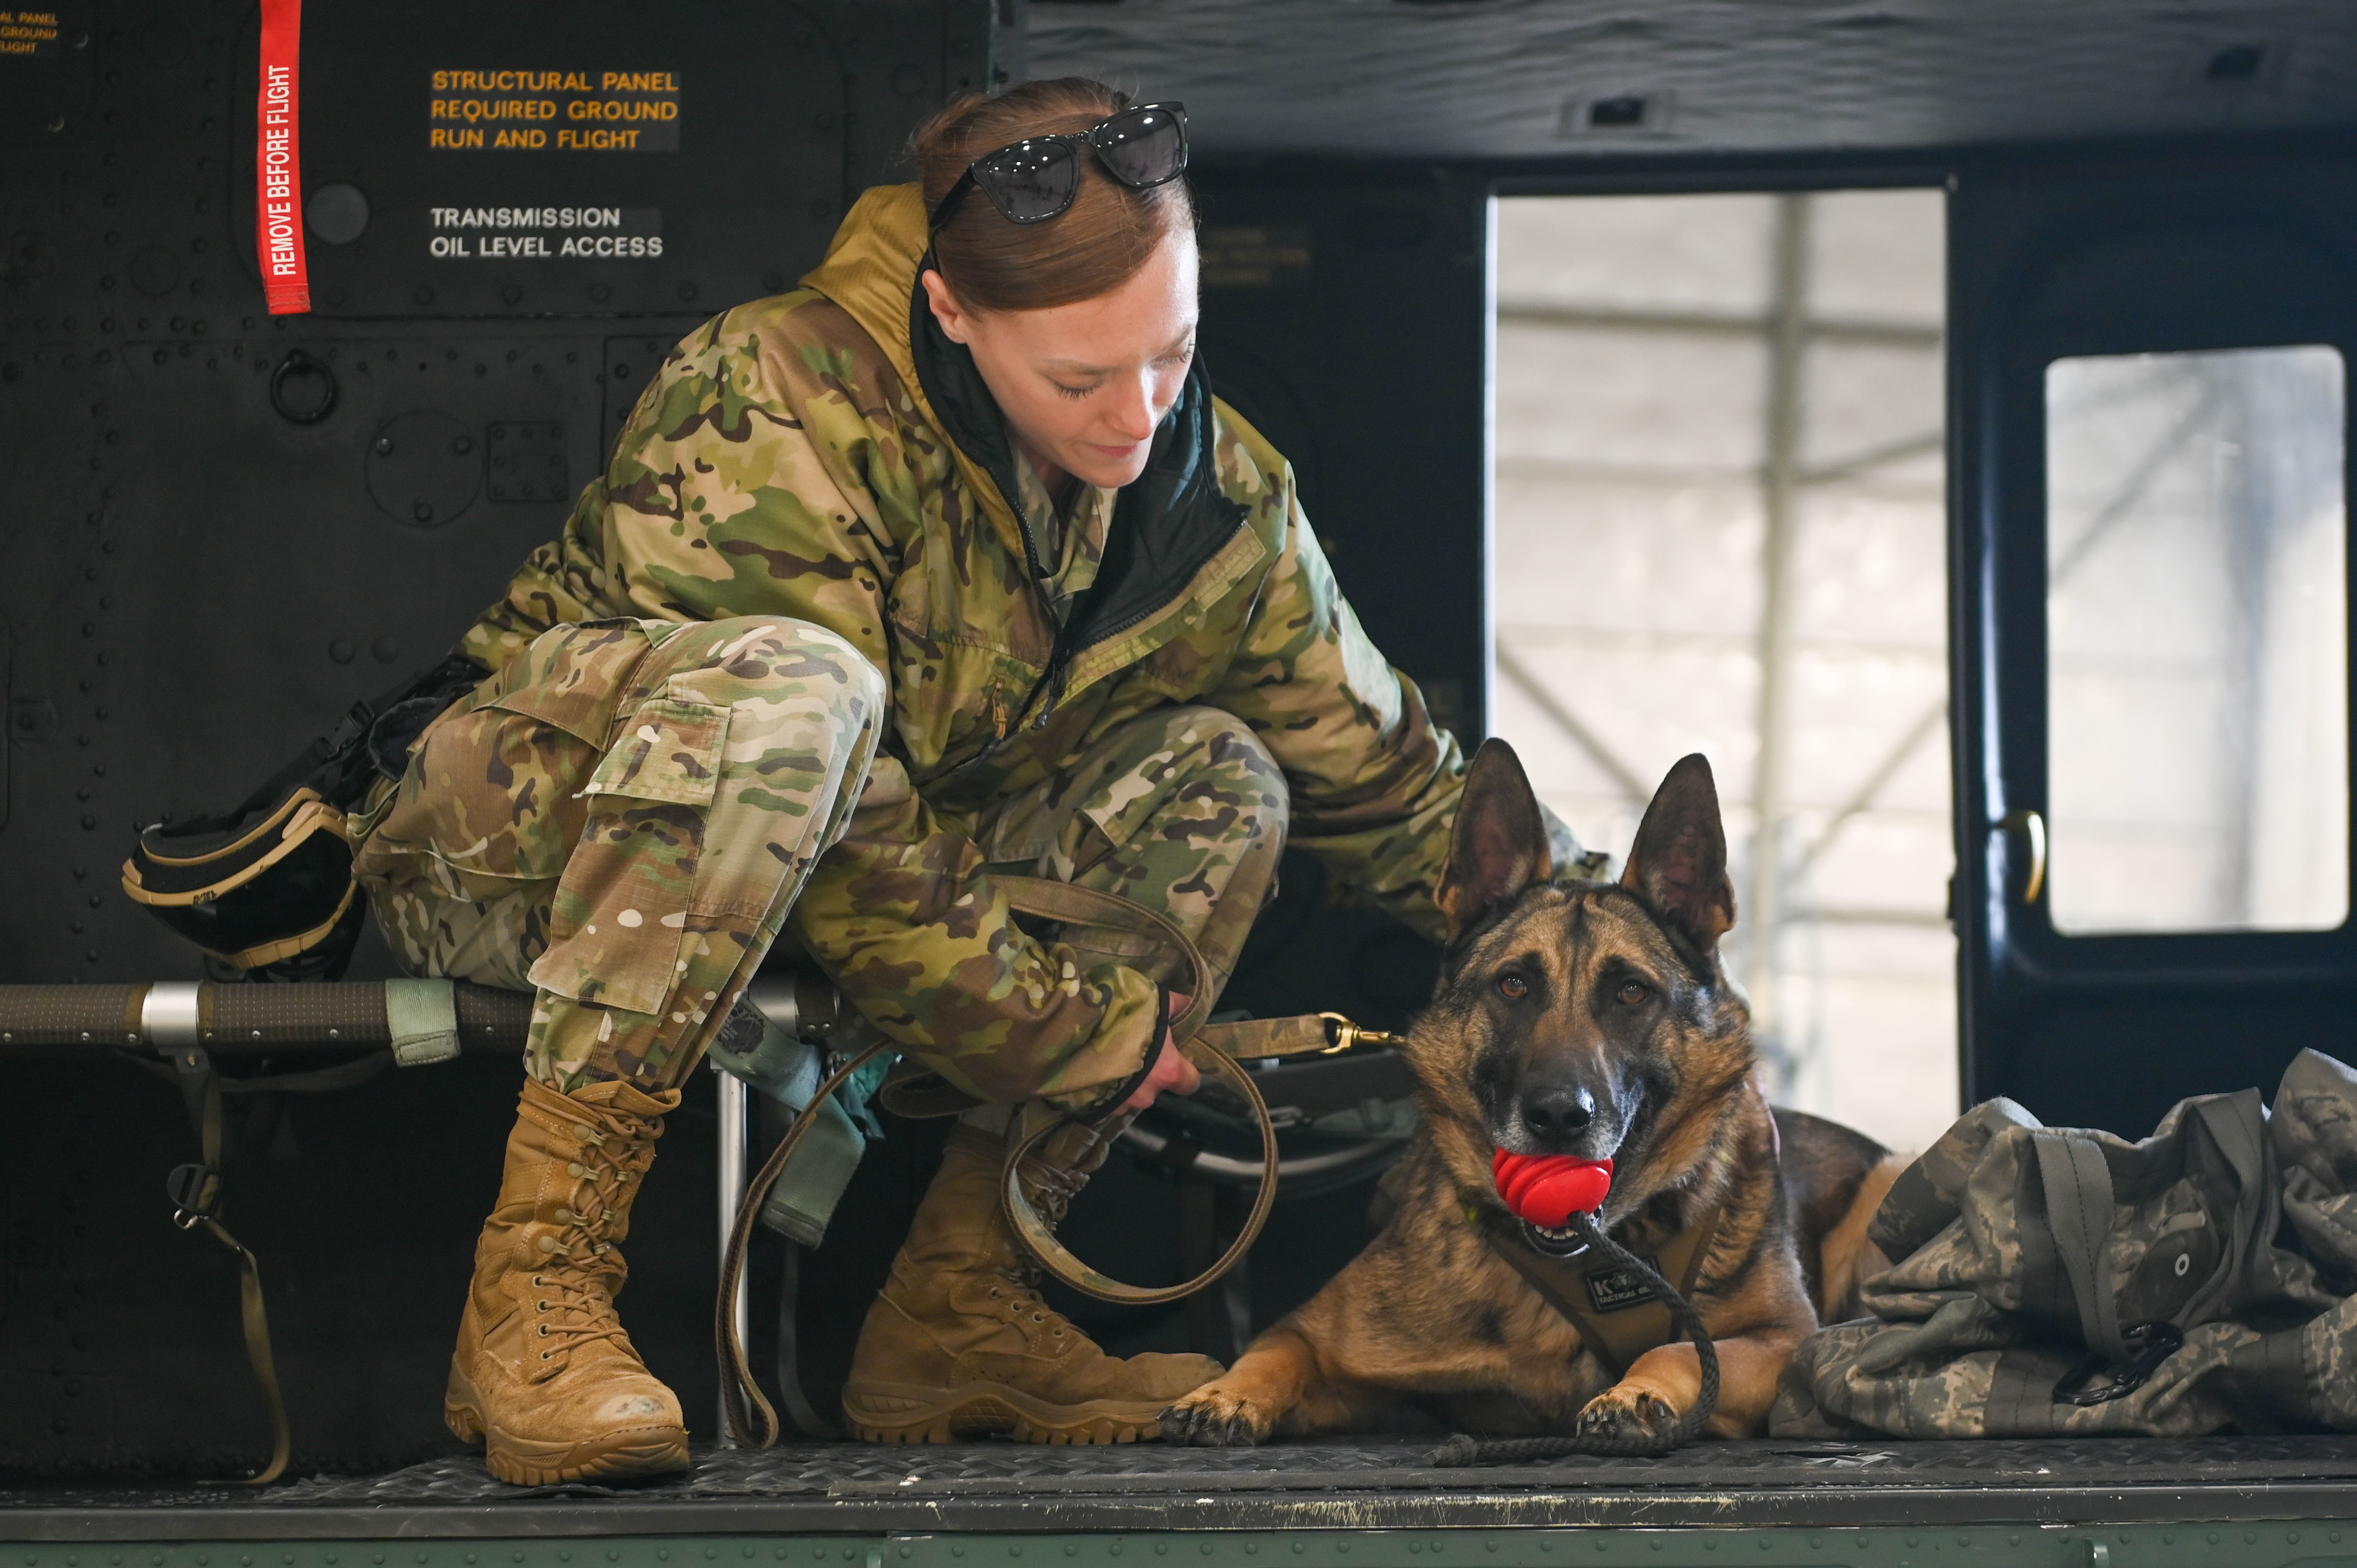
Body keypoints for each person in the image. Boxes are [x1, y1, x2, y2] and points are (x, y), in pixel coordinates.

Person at [346, 77, 1577, 1485]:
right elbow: (840, 819)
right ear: (950, 312)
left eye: (1170, 353)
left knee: (1220, 782)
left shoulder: (1208, 497)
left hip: (833, 886)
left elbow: (1396, 781)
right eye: (1077, 380)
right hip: (532, 852)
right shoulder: (776, 396)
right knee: (798, 693)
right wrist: (1080, 1030)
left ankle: (958, 1310)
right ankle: (531, 1295)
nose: (1137, 413)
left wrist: (1629, 957)